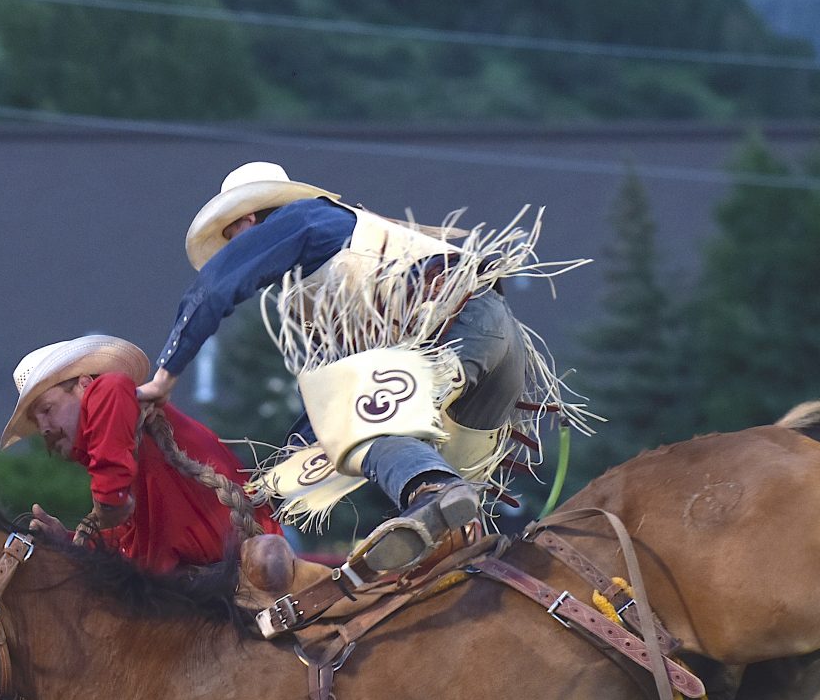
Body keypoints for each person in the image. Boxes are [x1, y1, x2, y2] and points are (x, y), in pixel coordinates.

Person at [137, 160, 556, 573]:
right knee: (442, 480)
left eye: (235, 241)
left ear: (249, 220)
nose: (237, 254)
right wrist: (274, 484)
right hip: (496, 341)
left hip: (450, 332)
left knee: (375, 430)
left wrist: (164, 377)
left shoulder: (298, 219)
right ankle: (472, 550)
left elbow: (214, 287)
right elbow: (331, 405)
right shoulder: (341, 254)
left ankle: (436, 493)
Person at [0, 333, 277, 573]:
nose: (45, 429)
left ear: (85, 384)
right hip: (216, 583)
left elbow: (112, 386)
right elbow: (132, 543)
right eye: (38, 423)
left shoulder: (106, 392)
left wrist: (110, 498)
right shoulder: (125, 452)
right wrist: (70, 540)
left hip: (235, 575)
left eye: (47, 410)